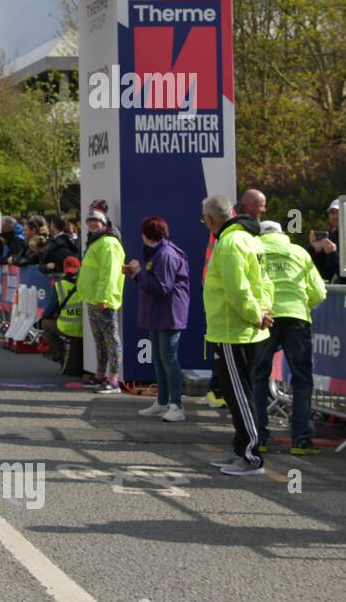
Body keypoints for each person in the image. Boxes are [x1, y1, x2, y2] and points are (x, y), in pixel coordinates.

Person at [200, 195, 274, 477]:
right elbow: (264, 282)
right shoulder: (250, 239)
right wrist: (263, 311)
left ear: (209, 220)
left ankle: (251, 455)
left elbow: (237, 289)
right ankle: (240, 447)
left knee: (239, 395)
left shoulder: (230, 243)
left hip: (233, 330)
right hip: (240, 328)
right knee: (236, 395)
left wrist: (256, 314)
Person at [252, 220, 326, 456]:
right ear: (282, 234)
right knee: (302, 379)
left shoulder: (253, 249)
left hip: (265, 317)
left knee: (258, 376)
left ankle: (258, 438)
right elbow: (318, 292)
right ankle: (302, 440)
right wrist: (301, 307)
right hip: (296, 318)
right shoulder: (298, 252)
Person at [124, 216, 190, 422]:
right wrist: (137, 274)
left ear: (146, 235)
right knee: (160, 359)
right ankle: (162, 402)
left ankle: (177, 406)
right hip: (158, 313)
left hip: (169, 313)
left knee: (169, 359)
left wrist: (137, 274)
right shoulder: (159, 252)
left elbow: (162, 287)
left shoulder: (166, 254)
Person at [77, 201, 125, 394]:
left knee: (111, 339)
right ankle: (100, 375)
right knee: (99, 340)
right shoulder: (96, 241)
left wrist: (104, 298)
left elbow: (110, 273)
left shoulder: (109, 243)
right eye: (90, 220)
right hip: (92, 298)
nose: (92, 224)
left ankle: (113, 379)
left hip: (103, 300)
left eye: (96, 220)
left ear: (104, 222)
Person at [307, 198, 340, 283]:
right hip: (332, 291)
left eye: (340, 212)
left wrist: (333, 253)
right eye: (332, 213)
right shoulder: (329, 237)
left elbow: (343, 274)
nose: (335, 216)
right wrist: (316, 250)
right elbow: (323, 273)